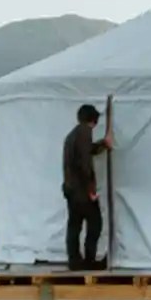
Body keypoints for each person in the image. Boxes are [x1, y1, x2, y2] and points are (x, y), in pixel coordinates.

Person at [62, 103, 113, 270]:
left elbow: (86, 151)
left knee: (74, 225)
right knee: (95, 223)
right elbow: (85, 163)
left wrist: (103, 144)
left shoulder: (72, 135)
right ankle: (89, 260)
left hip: (70, 188)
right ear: (93, 119)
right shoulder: (85, 132)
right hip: (81, 190)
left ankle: (74, 260)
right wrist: (90, 190)